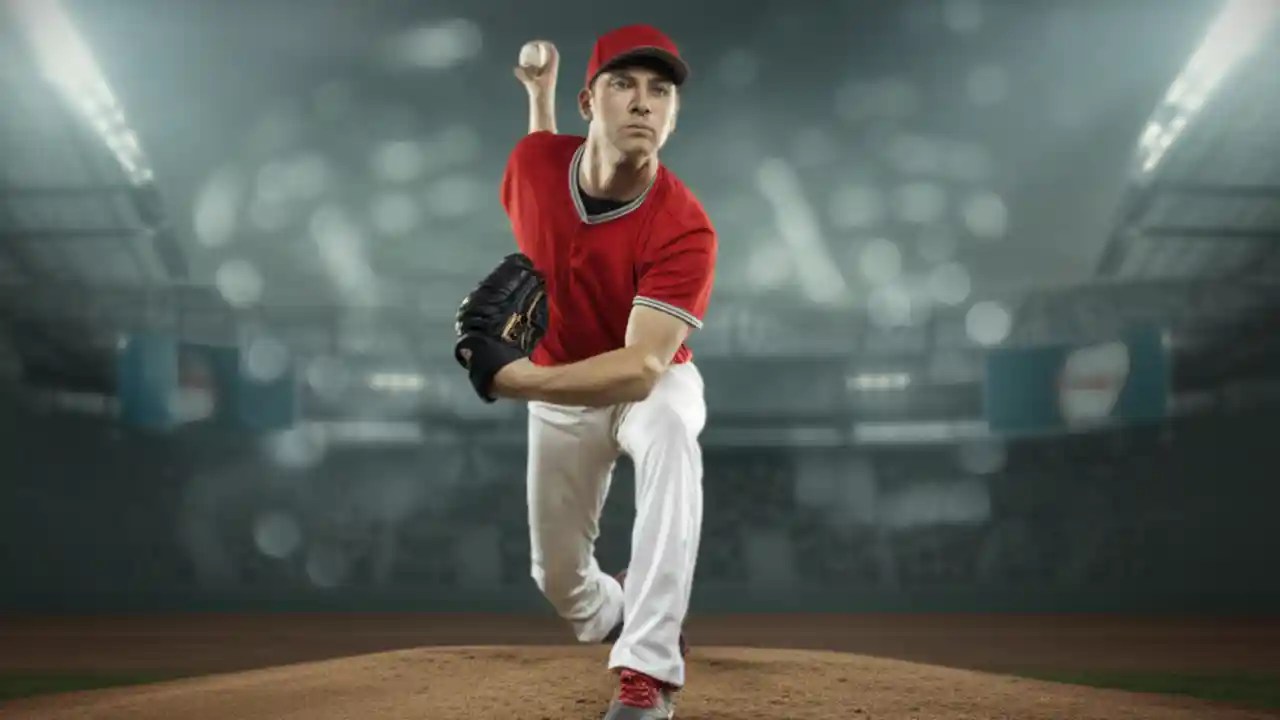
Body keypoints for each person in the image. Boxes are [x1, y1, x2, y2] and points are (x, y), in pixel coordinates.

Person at [471, 23, 716, 720]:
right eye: (623, 84)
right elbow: (543, 184)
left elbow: (641, 368)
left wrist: (516, 379)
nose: (644, 102)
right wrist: (538, 96)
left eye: (660, 90)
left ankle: (649, 672)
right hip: (562, 392)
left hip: (648, 380)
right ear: (589, 102)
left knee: (671, 427)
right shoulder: (531, 168)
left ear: (673, 115)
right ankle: (625, 603)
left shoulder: (685, 226)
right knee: (560, 583)